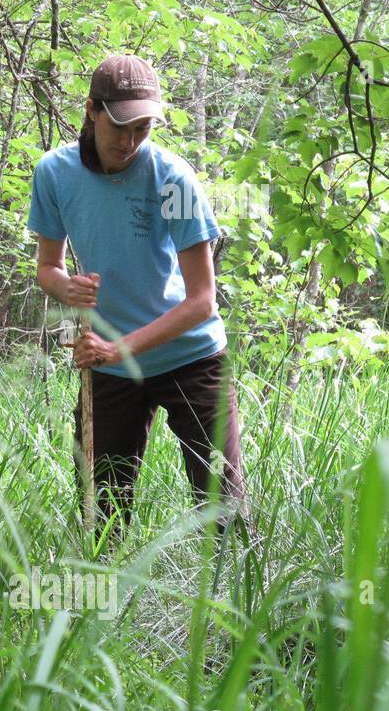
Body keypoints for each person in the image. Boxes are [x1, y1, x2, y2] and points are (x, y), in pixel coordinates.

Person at [27, 54, 246, 531]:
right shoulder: (55, 174)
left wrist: (117, 348)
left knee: (222, 511)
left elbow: (202, 301)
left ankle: (233, 601)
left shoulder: (173, 178)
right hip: (110, 362)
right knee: (101, 513)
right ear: (91, 110)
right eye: (121, 127)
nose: (130, 142)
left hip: (191, 355)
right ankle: (105, 601)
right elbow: (48, 267)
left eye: (143, 129)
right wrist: (68, 287)